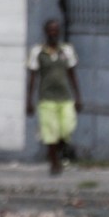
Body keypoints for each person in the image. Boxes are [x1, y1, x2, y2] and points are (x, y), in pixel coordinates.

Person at [26, 18, 81, 175]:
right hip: (46, 98)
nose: (53, 32)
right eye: (50, 29)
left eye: (56, 29)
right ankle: (54, 164)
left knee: (66, 129)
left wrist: (78, 97)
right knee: (50, 133)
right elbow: (32, 77)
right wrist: (29, 101)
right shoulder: (38, 51)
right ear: (46, 32)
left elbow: (72, 74)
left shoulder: (66, 50)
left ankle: (63, 149)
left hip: (65, 98)